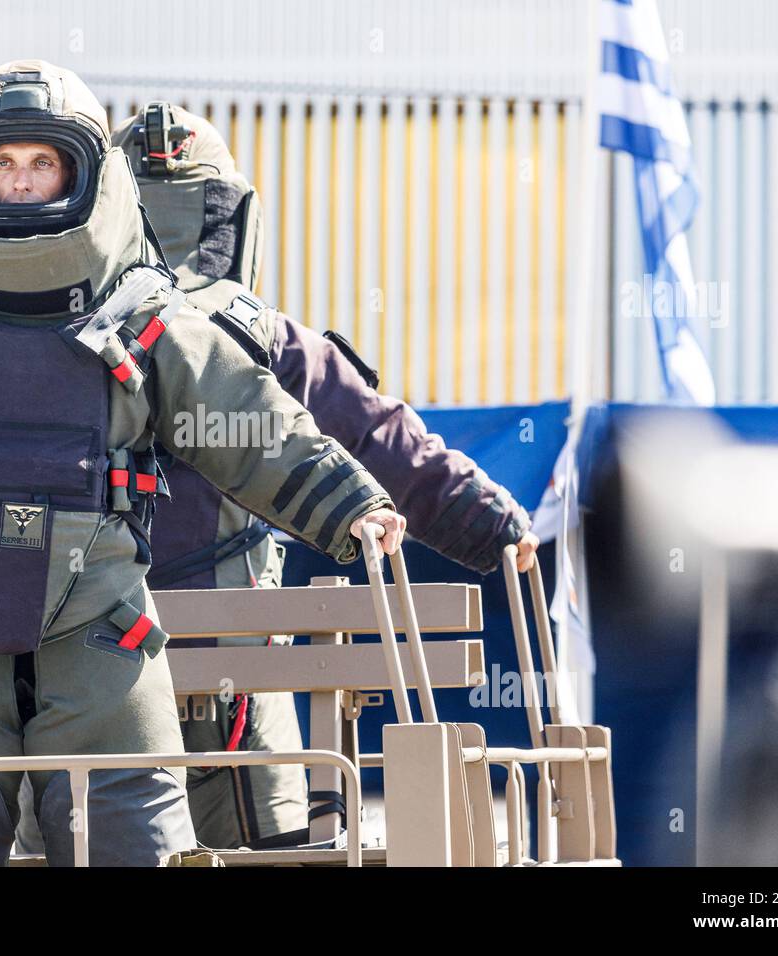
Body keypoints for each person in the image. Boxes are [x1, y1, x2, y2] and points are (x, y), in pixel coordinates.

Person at [0, 61, 405, 867]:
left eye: (43, 163)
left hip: (103, 623)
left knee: (130, 827)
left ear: (84, 168)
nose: (22, 184)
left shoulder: (137, 307)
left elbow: (241, 413)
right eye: (4, 165)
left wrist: (348, 503)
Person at [96, 103, 537, 849]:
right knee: (274, 858)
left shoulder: (53, 340)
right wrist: (495, 525)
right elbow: (384, 445)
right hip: (234, 699)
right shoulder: (264, 340)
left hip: (86, 690)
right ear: (232, 219)